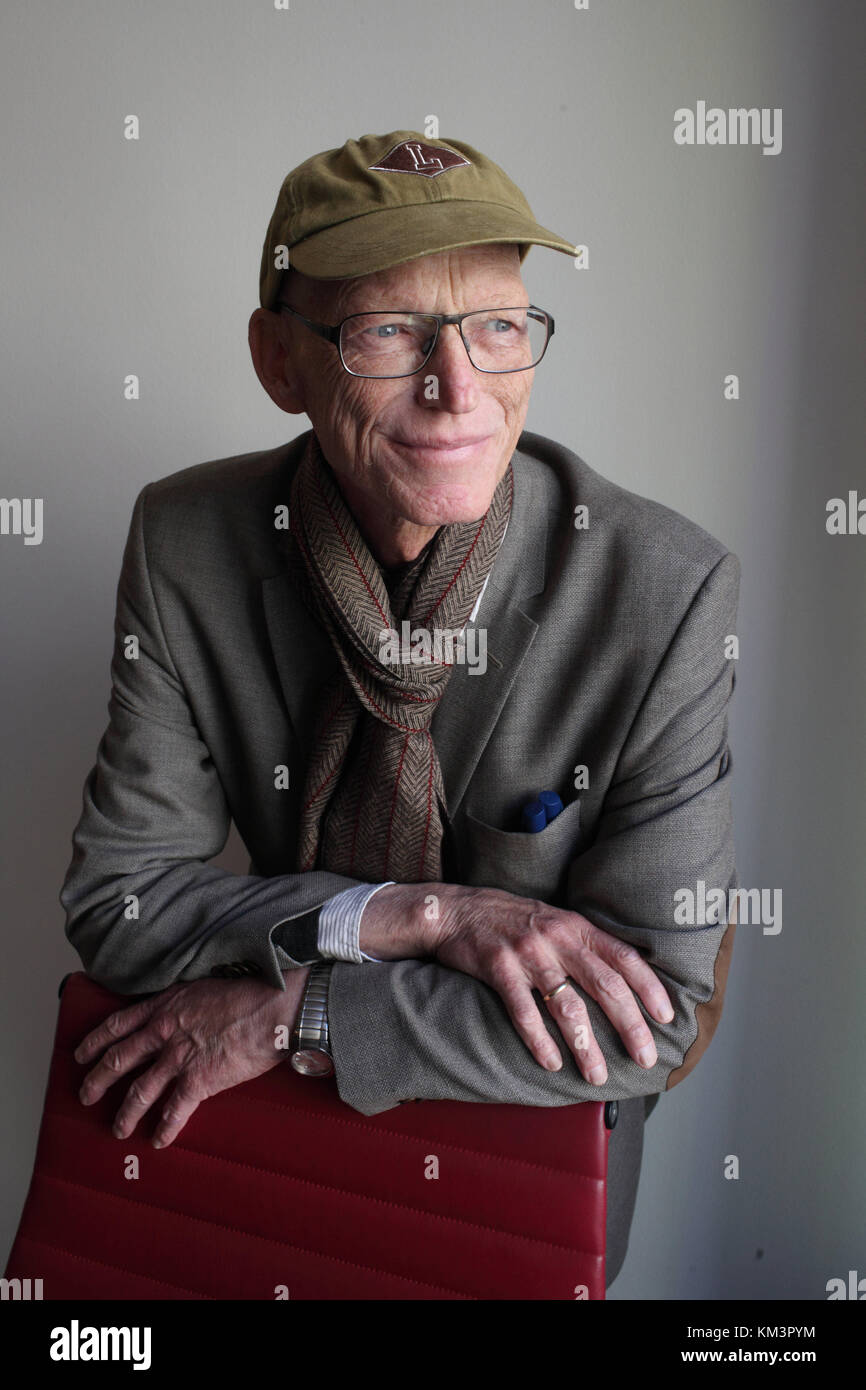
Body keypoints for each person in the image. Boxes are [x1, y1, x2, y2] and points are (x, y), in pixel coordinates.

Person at [61, 130, 740, 1290]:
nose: (457, 390)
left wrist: (295, 1011)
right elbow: (121, 905)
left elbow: (654, 1015)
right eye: (387, 332)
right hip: (269, 1160)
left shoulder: (663, 591)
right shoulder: (185, 544)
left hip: (523, 1173)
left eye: (495, 324)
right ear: (280, 361)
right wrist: (425, 916)